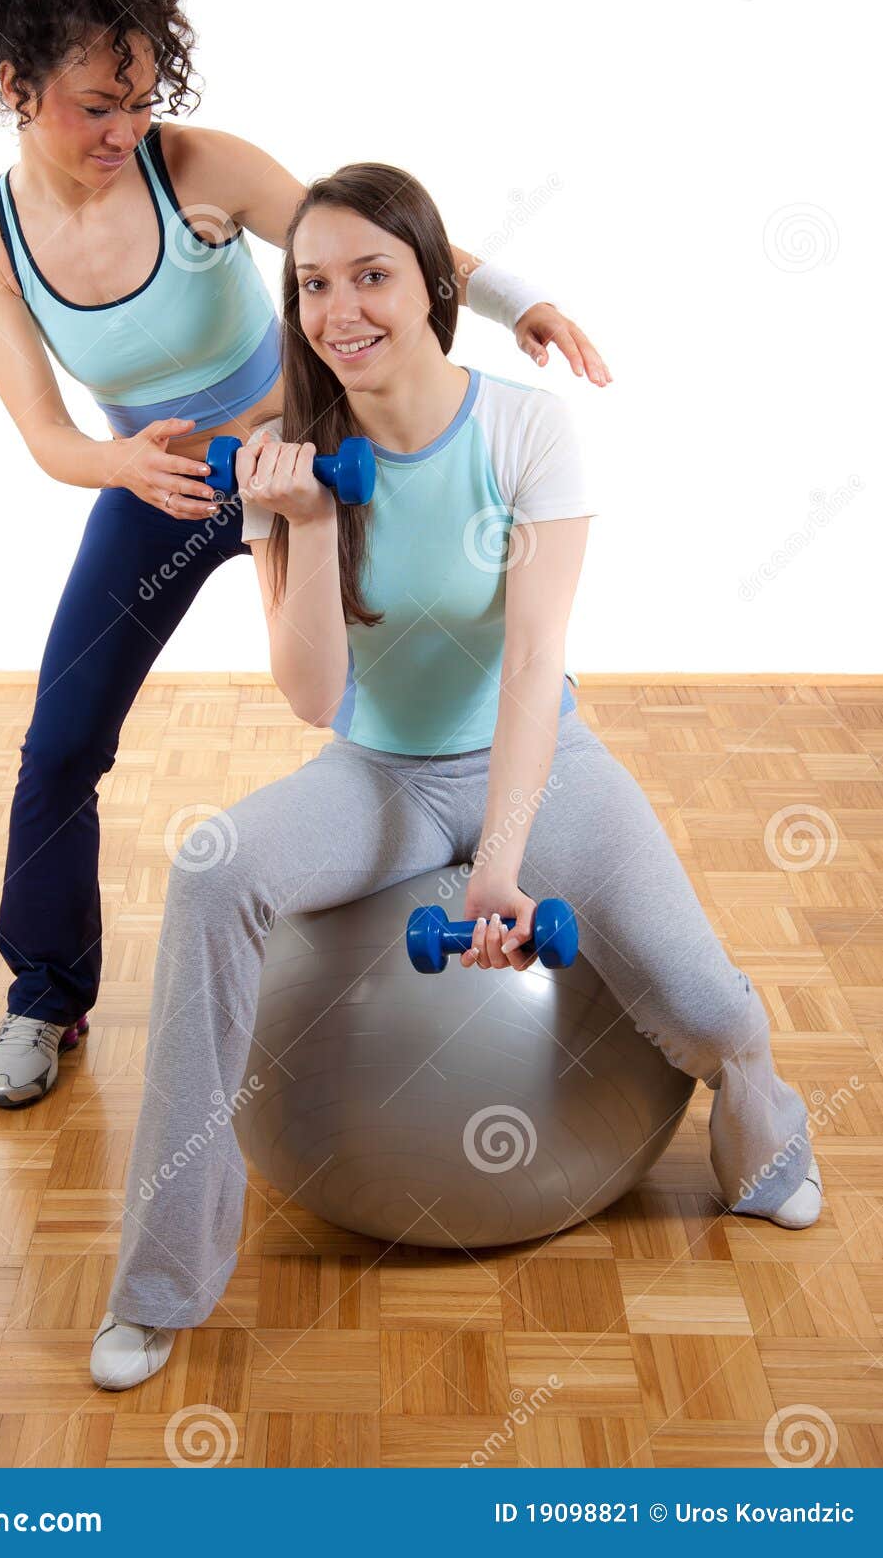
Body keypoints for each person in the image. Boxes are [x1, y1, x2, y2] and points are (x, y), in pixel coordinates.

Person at [90, 162, 821, 1392]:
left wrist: (499, 861)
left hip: (535, 759)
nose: (341, 310)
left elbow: (535, 665)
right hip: (376, 771)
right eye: (313, 283)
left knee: (709, 1009)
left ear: (436, 285)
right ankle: (158, 1284)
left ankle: (758, 1108)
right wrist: (307, 527)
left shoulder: (526, 428)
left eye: (371, 275)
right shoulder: (285, 454)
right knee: (210, 871)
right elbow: (316, 700)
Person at [0, 0, 610, 1109]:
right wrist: (125, 465)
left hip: (310, 457)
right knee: (60, 744)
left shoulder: (195, 167)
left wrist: (522, 301)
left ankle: (507, 867)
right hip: (156, 483)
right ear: (12, 81)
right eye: (98, 104)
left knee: (389, 690)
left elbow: (371, 243)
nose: (126, 128)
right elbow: (43, 430)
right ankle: (45, 993)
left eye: (144, 96)